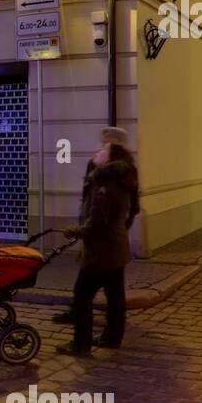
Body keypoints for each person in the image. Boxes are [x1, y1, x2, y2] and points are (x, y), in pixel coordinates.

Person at [67, 125, 139, 356]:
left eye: (101, 148)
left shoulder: (104, 185)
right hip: (116, 245)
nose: (96, 151)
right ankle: (112, 337)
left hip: (102, 250)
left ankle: (81, 343)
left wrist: (76, 231)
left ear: (108, 155)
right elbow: (130, 211)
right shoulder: (124, 177)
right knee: (115, 295)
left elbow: (96, 223)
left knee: (82, 296)